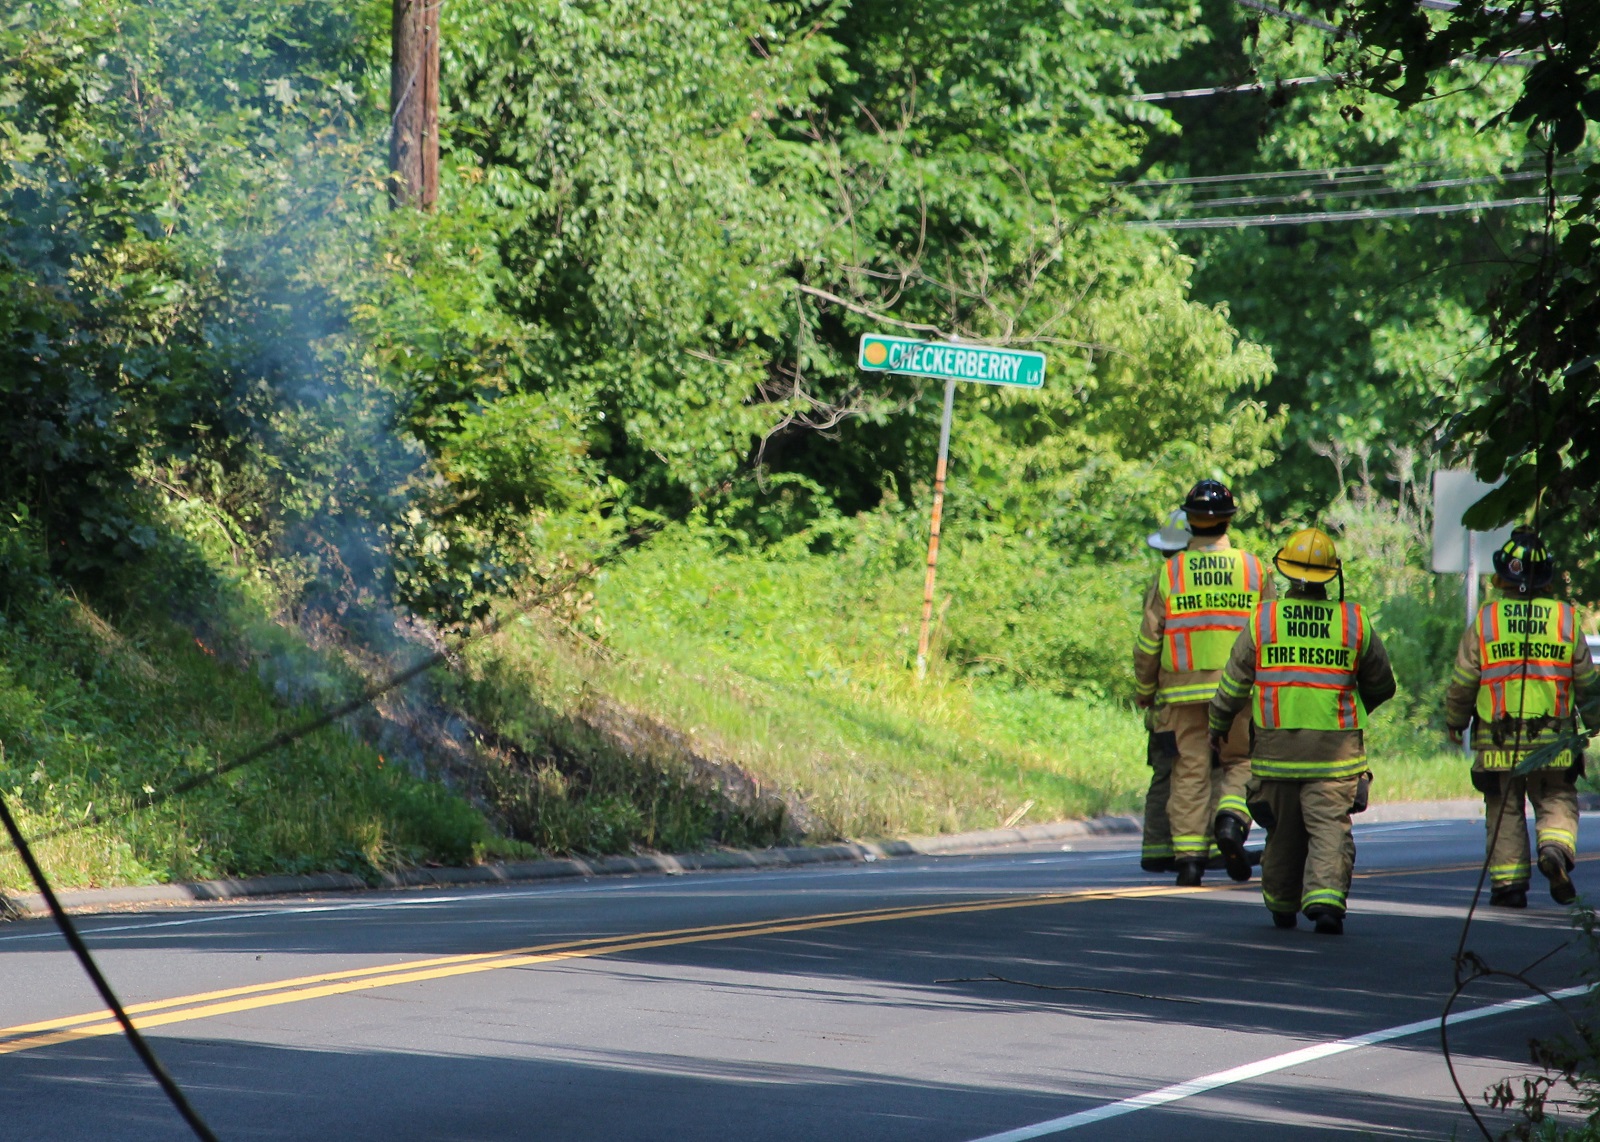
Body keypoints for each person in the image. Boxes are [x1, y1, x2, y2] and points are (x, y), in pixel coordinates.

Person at [1208, 526, 1395, 934]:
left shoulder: (1265, 619)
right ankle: (1326, 903)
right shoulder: (1353, 621)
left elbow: (1234, 683)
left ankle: (1281, 904)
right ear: (1331, 574)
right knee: (1329, 828)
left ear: (1287, 572)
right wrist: (1352, 707)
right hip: (1335, 757)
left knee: (1282, 832)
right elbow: (1383, 683)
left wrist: (1218, 724)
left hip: (1276, 755)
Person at [1443, 527, 1597, 908]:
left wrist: (1455, 721)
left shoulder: (1487, 620)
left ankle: (1509, 886)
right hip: (1554, 742)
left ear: (1504, 577)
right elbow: (1586, 681)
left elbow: (1464, 680)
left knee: (1504, 808)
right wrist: (1595, 721)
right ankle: (1554, 848)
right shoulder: (1565, 619)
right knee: (1556, 797)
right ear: (1545, 577)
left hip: (1498, 741)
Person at [1133, 480, 1273, 886]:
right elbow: (1271, 633)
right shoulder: (1254, 569)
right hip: (1239, 690)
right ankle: (1230, 818)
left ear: (1190, 523)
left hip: (1181, 693)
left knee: (1189, 772)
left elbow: (1149, 641)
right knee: (1241, 762)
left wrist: (1145, 690)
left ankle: (1190, 861)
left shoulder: (1171, 572)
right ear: (1229, 521)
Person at [1140, 509, 1191, 873]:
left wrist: (1145, 689)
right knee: (1207, 770)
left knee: (1165, 771)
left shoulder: (1162, 583)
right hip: (1213, 699)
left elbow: (1148, 645)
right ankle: (1200, 846)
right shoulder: (1225, 582)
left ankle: (1158, 848)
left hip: (1167, 701)